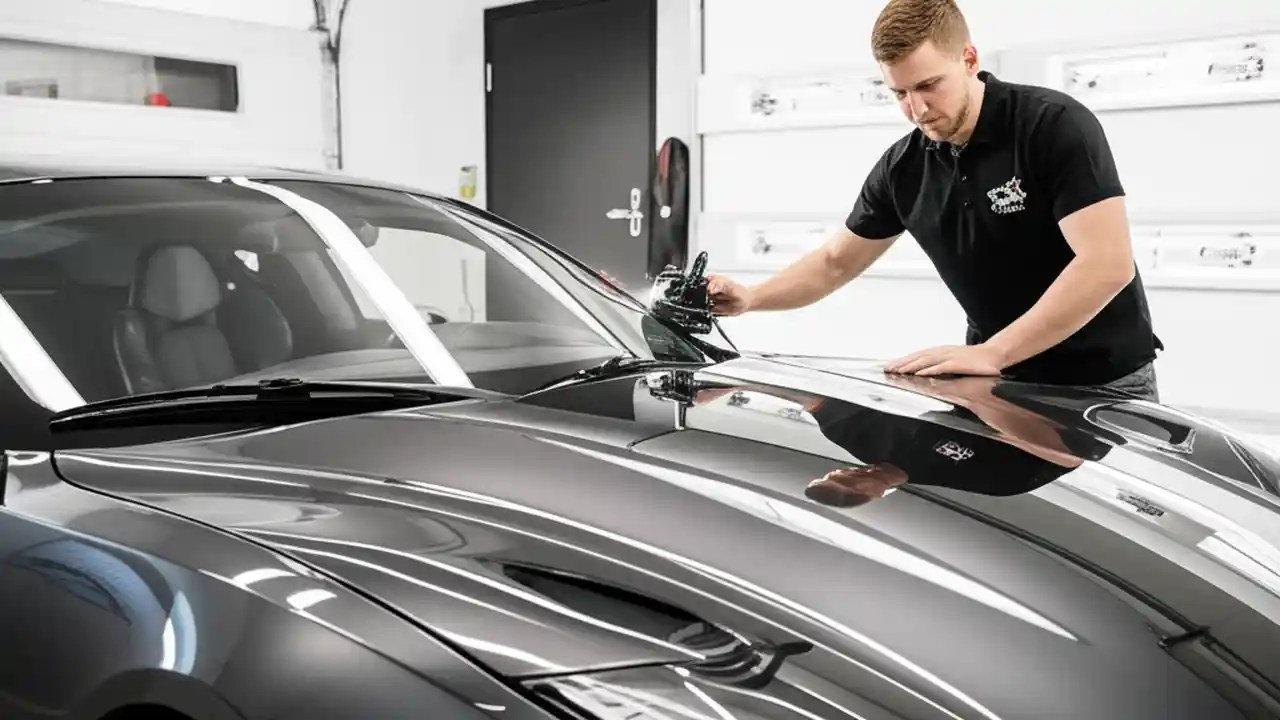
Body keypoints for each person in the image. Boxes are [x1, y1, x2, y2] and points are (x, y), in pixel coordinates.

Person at [707, 0, 1163, 402]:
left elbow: (1107, 264)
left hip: (1106, 383)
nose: (917, 109)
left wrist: (993, 352)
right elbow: (834, 263)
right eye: (900, 93)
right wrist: (751, 297)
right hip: (996, 382)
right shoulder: (903, 169)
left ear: (968, 59)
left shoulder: (1053, 126)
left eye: (929, 85)